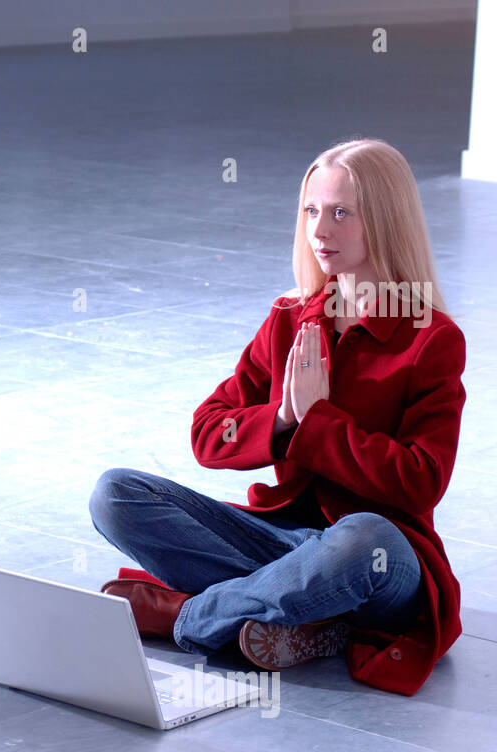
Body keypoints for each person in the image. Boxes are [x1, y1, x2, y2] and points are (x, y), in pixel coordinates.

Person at [87, 137, 467, 695]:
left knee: (362, 536)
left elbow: (420, 482)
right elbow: (209, 432)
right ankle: (301, 613)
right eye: (311, 210)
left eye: (341, 213)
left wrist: (318, 425)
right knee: (115, 493)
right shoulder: (291, 317)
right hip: (284, 540)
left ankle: (187, 616)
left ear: (384, 221)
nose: (320, 230)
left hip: (380, 559)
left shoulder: (433, 338)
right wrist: (284, 420)